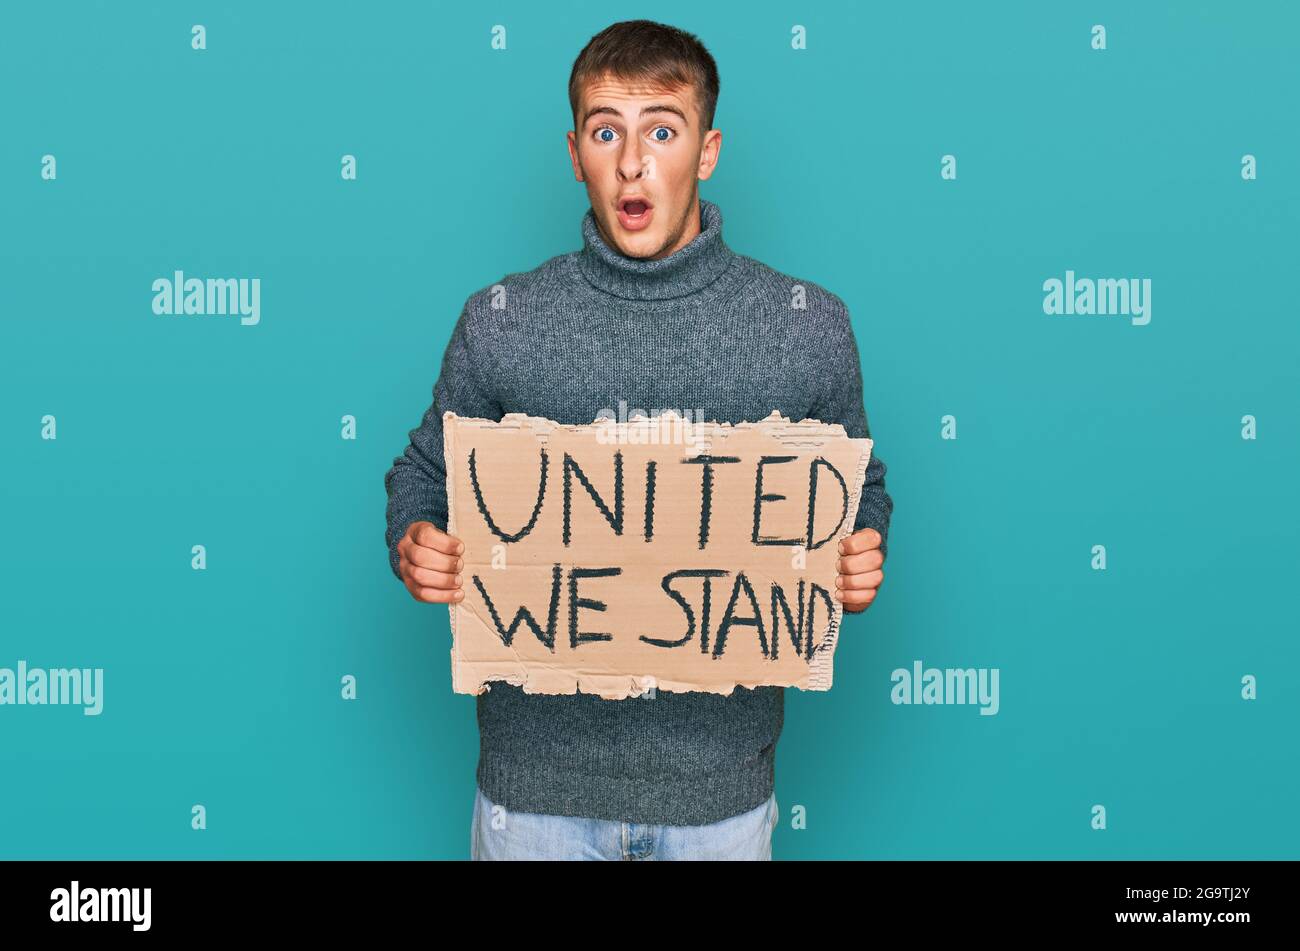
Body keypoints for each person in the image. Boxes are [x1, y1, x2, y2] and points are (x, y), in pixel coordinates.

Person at [384, 19, 892, 861]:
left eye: (662, 129)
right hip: (533, 801)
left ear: (708, 150)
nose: (632, 161)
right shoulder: (501, 322)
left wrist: (864, 547)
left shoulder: (807, 327)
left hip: (720, 804)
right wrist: (415, 540)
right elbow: (424, 473)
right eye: (605, 130)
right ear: (576, 151)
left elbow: (857, 487)